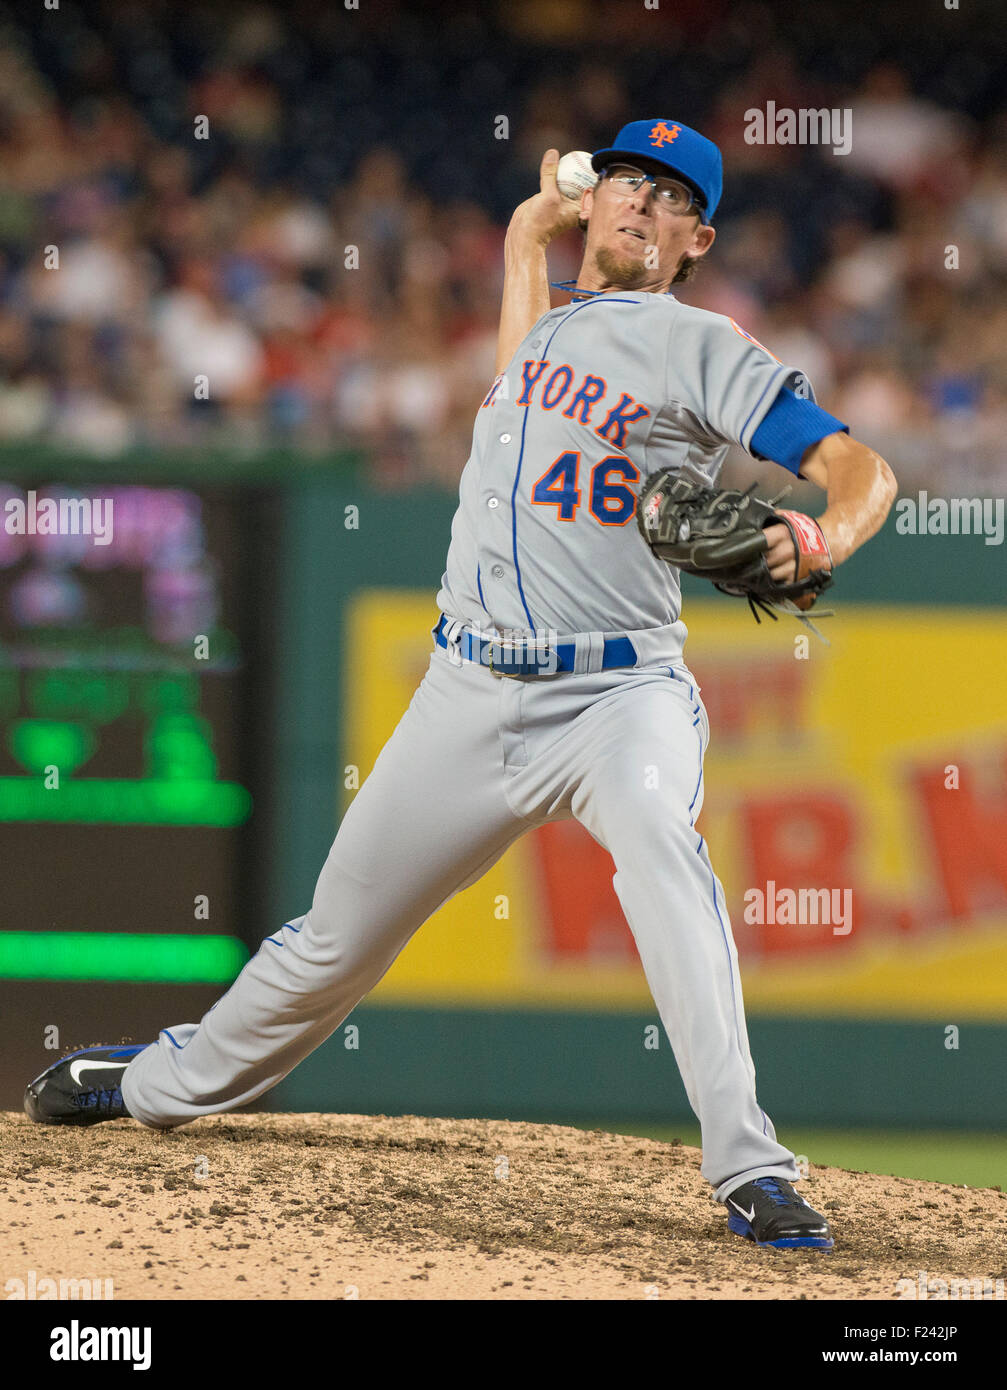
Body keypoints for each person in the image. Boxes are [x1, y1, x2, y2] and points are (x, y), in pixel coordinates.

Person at [25, 119, 896, 1250]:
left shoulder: (701, 346)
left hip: (614, 696)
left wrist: (818, 540)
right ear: (596, 199)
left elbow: (858, 468)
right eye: (626, 179)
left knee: (659, 852)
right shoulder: (547, 333)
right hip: (467, 690)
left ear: (695, 238)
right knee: (331, 944)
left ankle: (749, 1168)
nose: (639, 201)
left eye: (669, 196)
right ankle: (159, 1084)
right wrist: (522, 240)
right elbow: (522, 375)